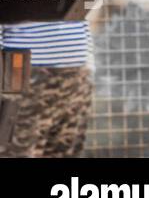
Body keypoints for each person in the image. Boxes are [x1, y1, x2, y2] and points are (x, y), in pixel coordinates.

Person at [0, 20, 93, 158]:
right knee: (16, 149)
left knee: (65, 148)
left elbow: (82, 17)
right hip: (18, 64)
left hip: (76, 70)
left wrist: (88, 65)